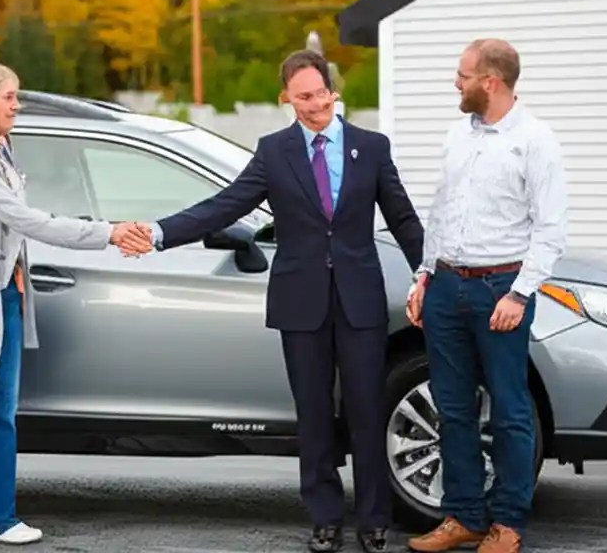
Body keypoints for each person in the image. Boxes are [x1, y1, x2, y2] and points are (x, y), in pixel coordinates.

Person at [135, 50, 424, 553]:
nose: (316, 105)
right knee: (313, 413)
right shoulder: (274, 152)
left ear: (333, 90)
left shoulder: (371, 147)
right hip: (300, 302)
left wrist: (427, 273)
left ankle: (374, 519)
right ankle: (325, 519)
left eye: (321, 94)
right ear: (286, 98)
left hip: (359, 300)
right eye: (303, 97)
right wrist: (160, 233)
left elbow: (402, 218)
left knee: (366, 410)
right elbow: (223, 206)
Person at [0, 62, 151, 553]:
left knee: (0, 414)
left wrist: (16, 274)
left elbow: (6, 230)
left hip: (3, 295)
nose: (16, 105)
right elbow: (25, 218)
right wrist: (107, 232)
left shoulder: (0, 149)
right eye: (9, 97)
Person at [405, 39, 567, 553]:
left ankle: (507, 525)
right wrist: (424, 276)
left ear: (490, 82)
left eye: (463, 75)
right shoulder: (458, 135)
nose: (456, 83)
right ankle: (465, 517)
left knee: (509, 410)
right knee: (451, 408)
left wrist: (519, 295)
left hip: (501, 290)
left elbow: (550, 231)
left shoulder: (535, 141)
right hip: (446, 286)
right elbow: (441, 211)